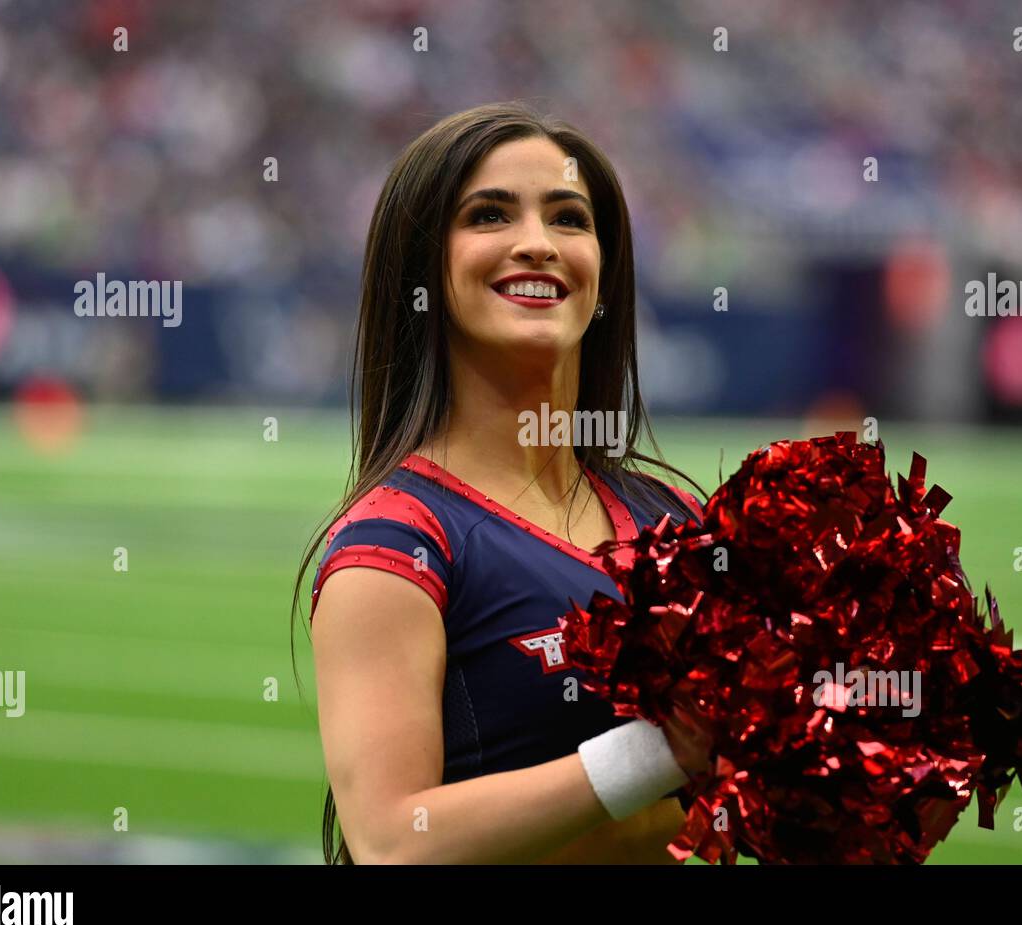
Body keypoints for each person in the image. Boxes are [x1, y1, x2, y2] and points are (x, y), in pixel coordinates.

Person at [295, 101, 712, 864]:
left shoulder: (679, 519)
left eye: (568, 218)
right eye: (489, 215)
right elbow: (392, 841)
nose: (537, 243)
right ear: (422, 268)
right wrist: (661, 752)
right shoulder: (395, 544)